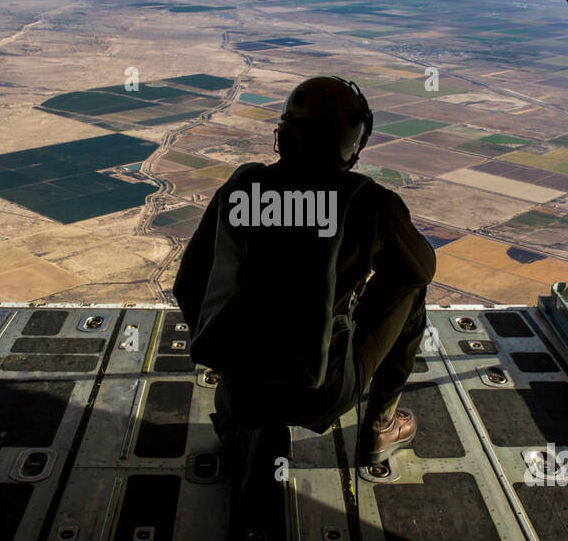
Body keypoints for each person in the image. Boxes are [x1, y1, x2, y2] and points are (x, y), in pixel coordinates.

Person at [173, 76, 436, 495]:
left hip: (243, 390)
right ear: (351, 140)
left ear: (285, 132)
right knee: (412, 286)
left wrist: (228, 364)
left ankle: (247, 428)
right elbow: (420, 269)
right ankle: (381, 426)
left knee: (247, 402)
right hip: (323, 393)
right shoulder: (367, 202)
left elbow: (189, 285)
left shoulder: (243, 188)